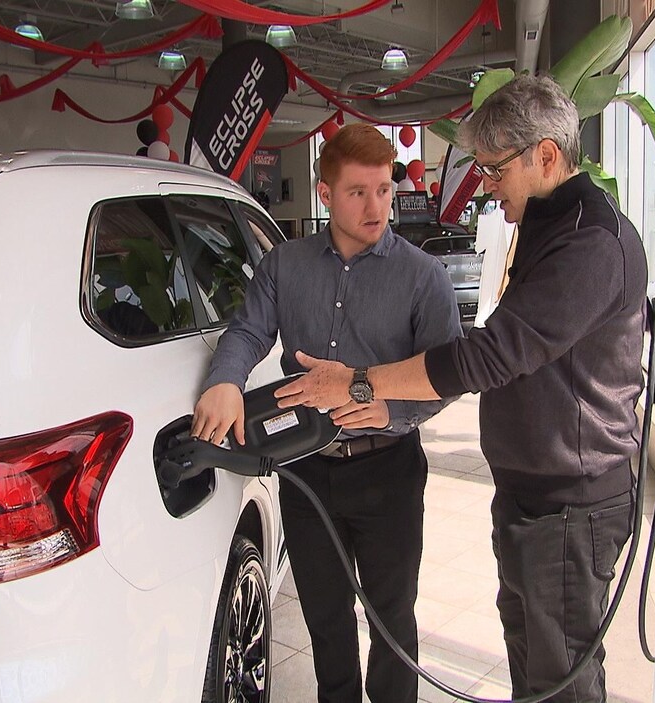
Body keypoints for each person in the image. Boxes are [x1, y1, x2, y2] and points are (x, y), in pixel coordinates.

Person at [274, 75, 647, 702]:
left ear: (546, 156)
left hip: (571, 501)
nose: (487, 188)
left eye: (494, 171)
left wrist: (361, 383)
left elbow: (490, 356)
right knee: (533, 660)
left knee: (562, 679)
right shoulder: (551, 226)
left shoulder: (590, 243)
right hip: (534, 493)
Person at [192, 123, 461, 703]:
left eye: (384, 190)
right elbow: (247, 331)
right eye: (358, 192)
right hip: (306, 469)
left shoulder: (423, 278)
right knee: (325, 620)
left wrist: (388, 411)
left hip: (388, 470)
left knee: (392, 620)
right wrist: (224, 381)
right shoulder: (284, 267)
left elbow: (446, 377)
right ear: (324, 193)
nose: (376, 206)